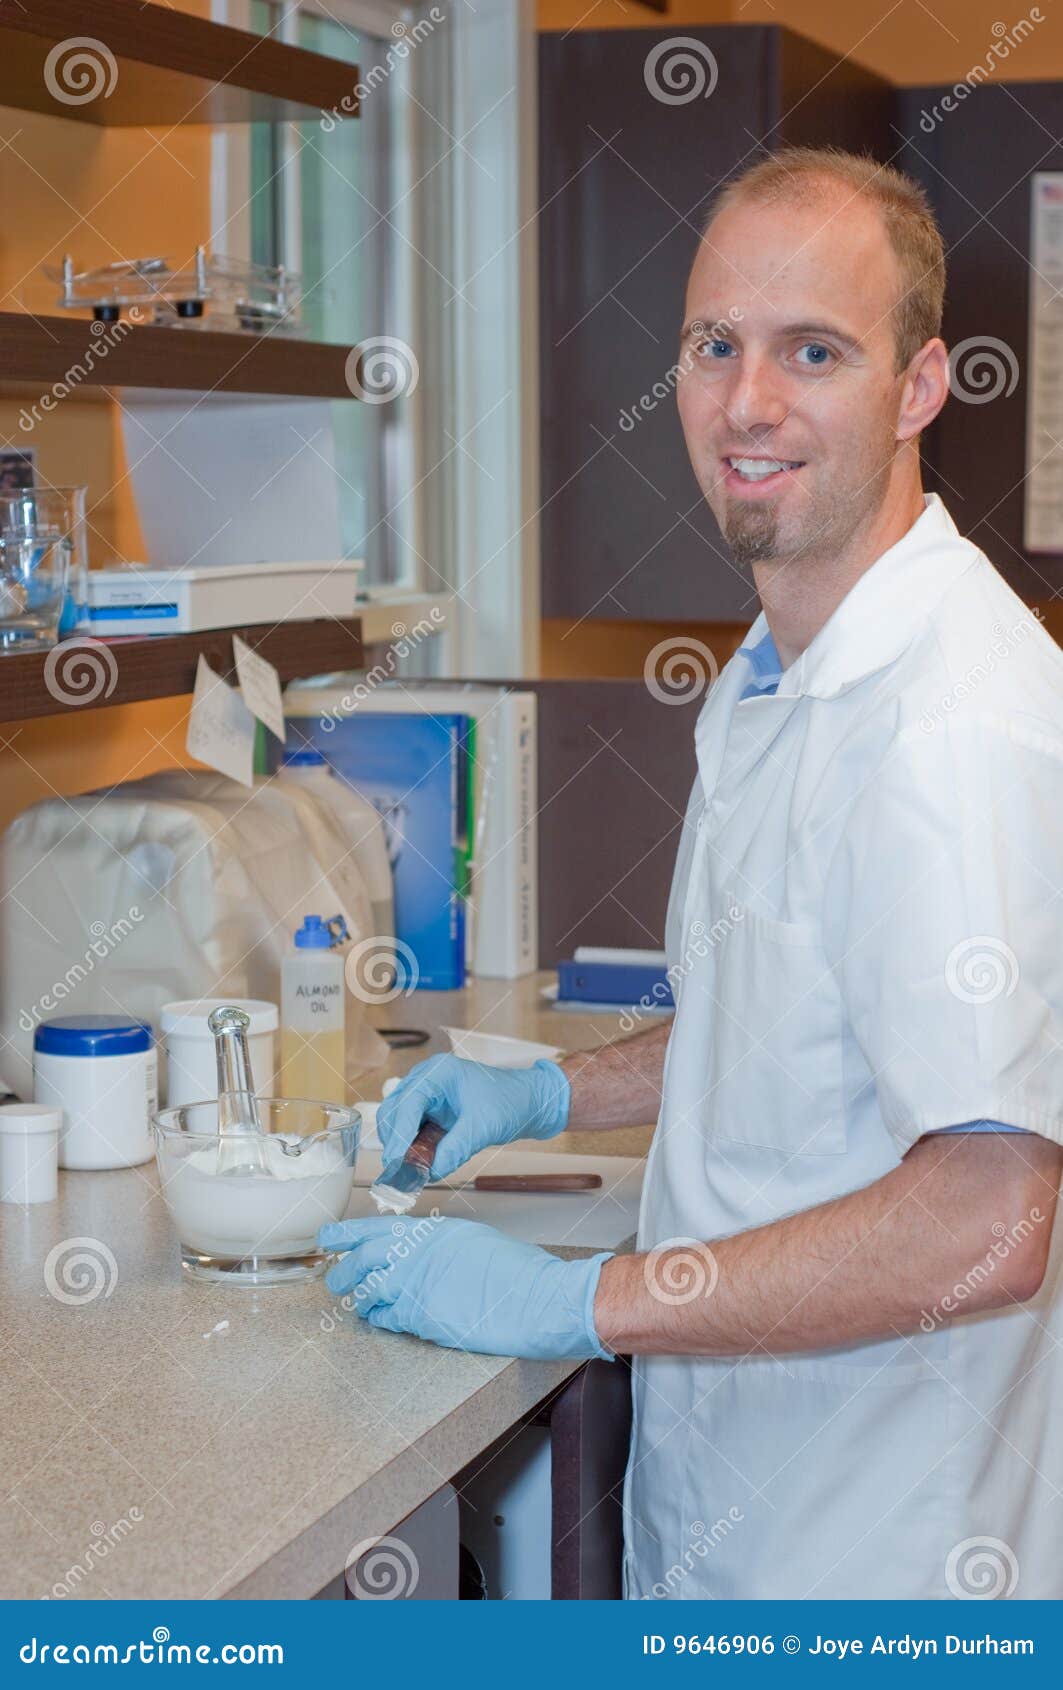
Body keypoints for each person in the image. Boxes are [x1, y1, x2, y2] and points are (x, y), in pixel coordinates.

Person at [321, 147, 1063, 1600]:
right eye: (715, 345)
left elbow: (992, 1214)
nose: (750, 402)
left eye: (815, 352)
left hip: (878, 1567)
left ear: (919, 388)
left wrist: (582, 1299)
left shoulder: (953, 725)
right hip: (742, 1515)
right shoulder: (783, 671)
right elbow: (780, 1014)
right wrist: (545, 1088)